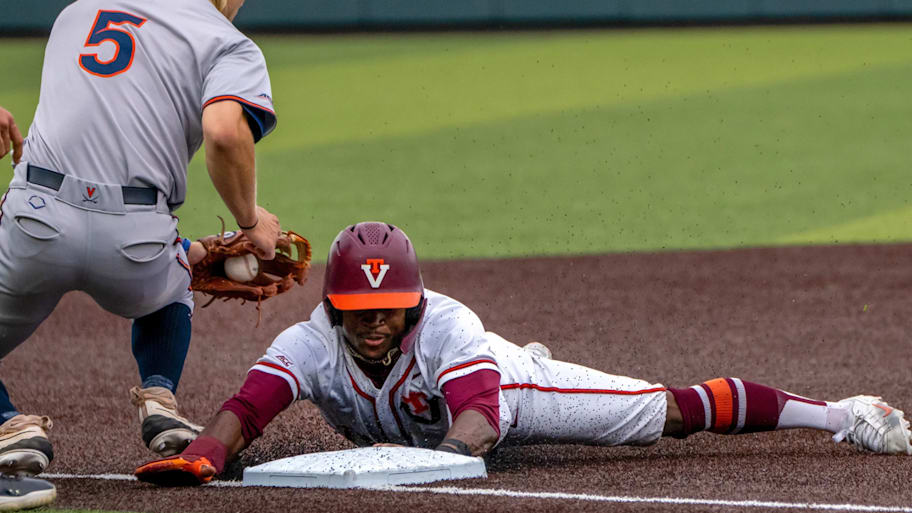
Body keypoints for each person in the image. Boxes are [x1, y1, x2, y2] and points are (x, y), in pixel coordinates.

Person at [134, 222, 912, 486]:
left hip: (515, 389)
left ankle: (842, 413)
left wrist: (434, 461)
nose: (373, 325)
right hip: (447, 418)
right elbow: (246, 409)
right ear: (335, 305)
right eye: (359, 312)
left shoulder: (450, 326)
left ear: (413, 304)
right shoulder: (306, 342)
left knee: (669, 413)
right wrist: (204, 455)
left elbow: (478, 418)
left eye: (388, 310)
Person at [0, 0, 282, 477]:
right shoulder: (228, 43)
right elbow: (224, 133)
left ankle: (9, 425)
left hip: (35, 222)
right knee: (175, 283)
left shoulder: (77, 11)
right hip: (137, 242)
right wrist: (250, 221)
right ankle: (159, 397)